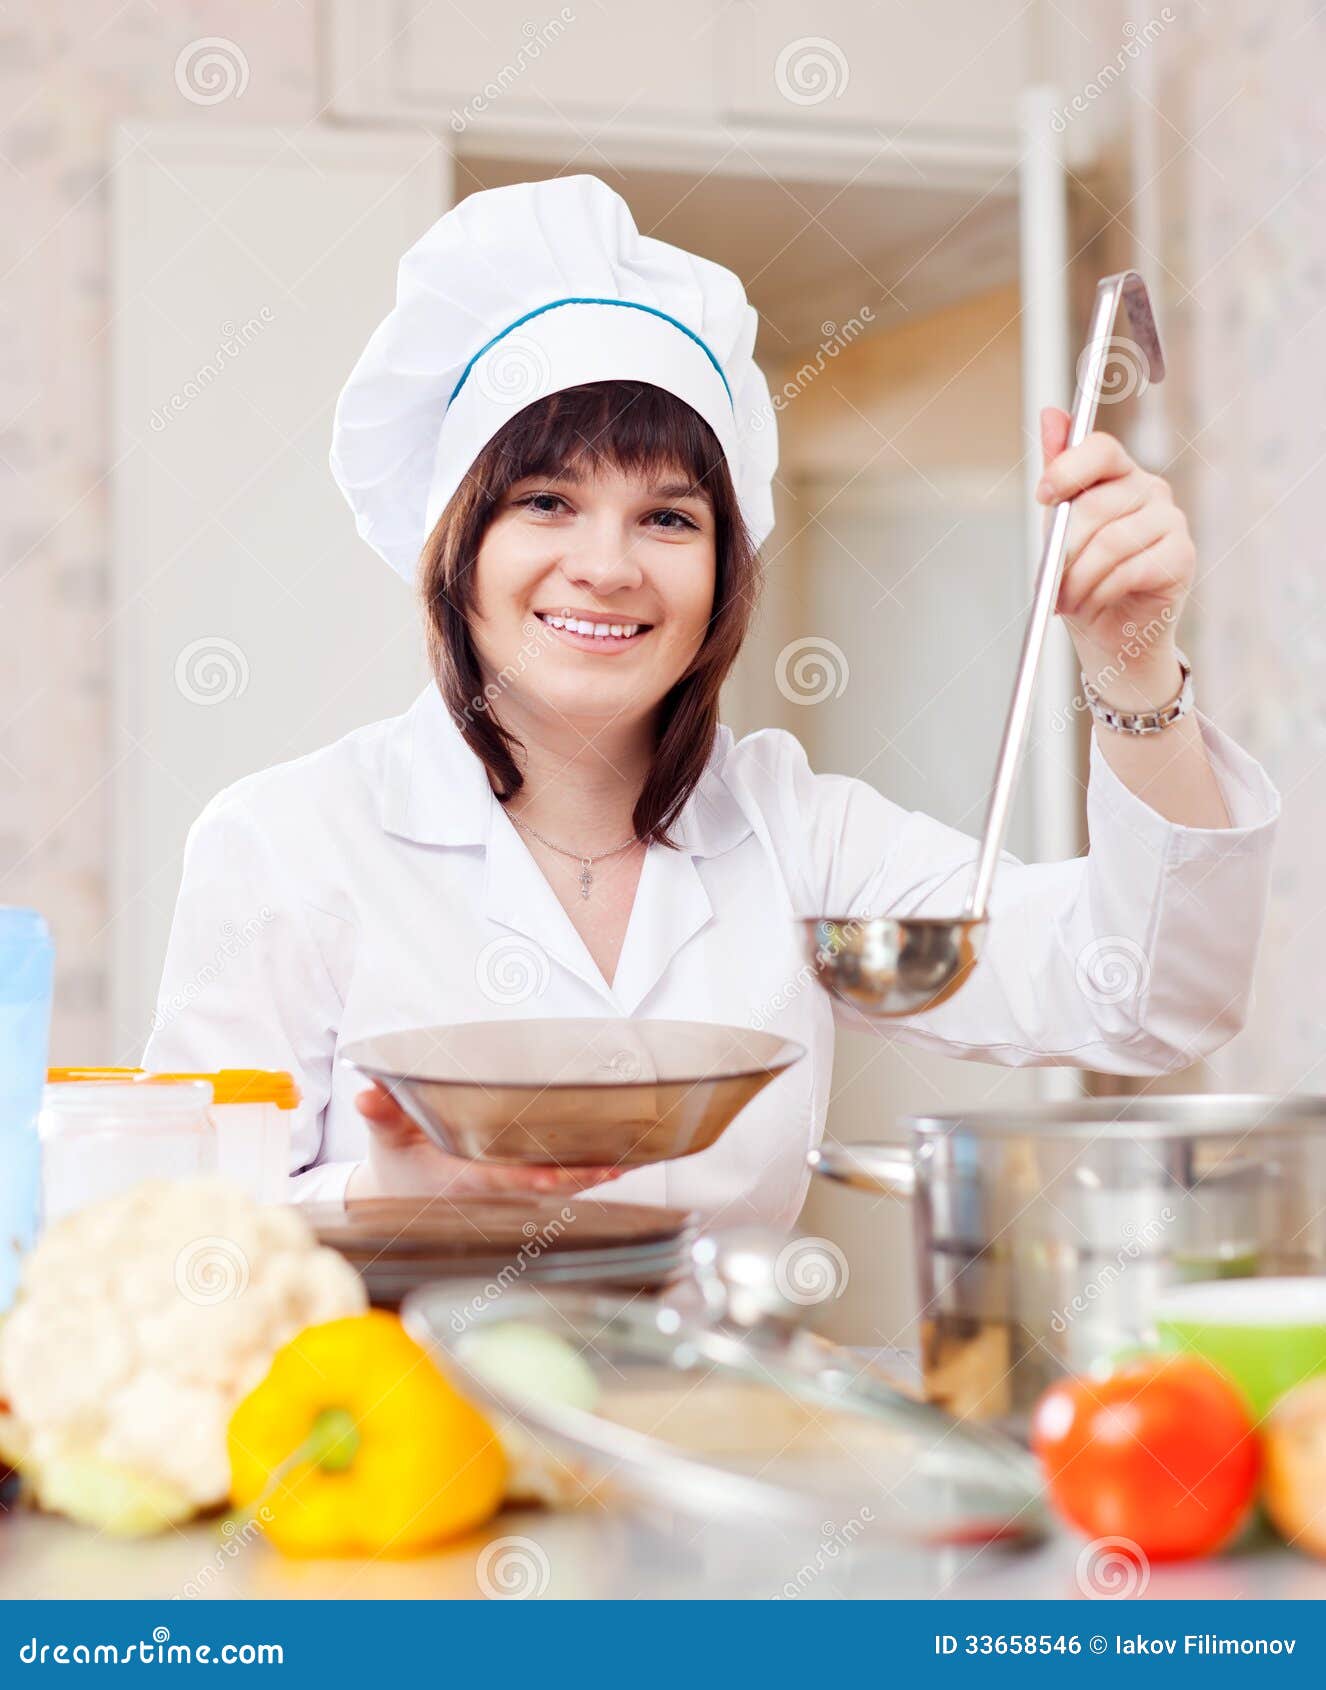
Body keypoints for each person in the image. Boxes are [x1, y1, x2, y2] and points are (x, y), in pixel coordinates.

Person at [143, 175, 1279, 1227]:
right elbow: (172, 1237)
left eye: (670, 517)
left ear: (726, 571)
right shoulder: (288, 845)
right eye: (544, 502)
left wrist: (1132, 664)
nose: (606, 565)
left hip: (712, 1426)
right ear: (457, 542)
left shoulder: (795, 833)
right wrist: (384, 1194)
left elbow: (1141, 997)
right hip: (391, 1432)